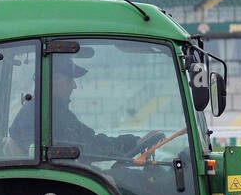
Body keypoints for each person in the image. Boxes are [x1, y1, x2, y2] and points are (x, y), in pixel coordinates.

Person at [10, 55, 142, 158]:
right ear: (53, 79)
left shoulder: (57, 113)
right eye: (69, 80)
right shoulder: (36, 116)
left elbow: (90, 142)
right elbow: (51, 159)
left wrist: (133, 143)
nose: (74, 86)